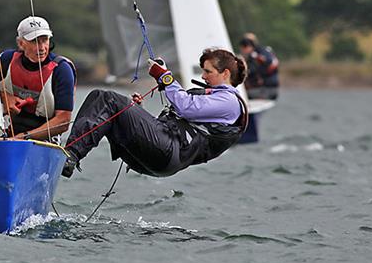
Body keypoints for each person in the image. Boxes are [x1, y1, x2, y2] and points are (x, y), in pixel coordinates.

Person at [61, 48, 248, 178]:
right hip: (160, 153)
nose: (203, 76)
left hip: (168, 153)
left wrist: (165, 77)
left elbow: (186, 107)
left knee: (108, 99)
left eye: (208, 71)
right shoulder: (215, 97)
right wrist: (137, 111)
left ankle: (68, 157)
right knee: (101, 98)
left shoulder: (230, 102)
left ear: (225, 74)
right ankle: (69, 154)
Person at [0, 16, 76, 142]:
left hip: (44, 139)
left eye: (45, 40)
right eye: (35, 41)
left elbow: (64, 120)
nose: (41, 47)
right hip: (7, 132)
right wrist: (4, 97)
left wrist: (26, 137)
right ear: (21, 43)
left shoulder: (62, 70)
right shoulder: (6, 60)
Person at [238, 33, 279, 100]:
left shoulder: (256, 55)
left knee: (239, 95)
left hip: (265, 90)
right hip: (269, 89)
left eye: (246, 44)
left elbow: (253, 70)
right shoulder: (263, 52)